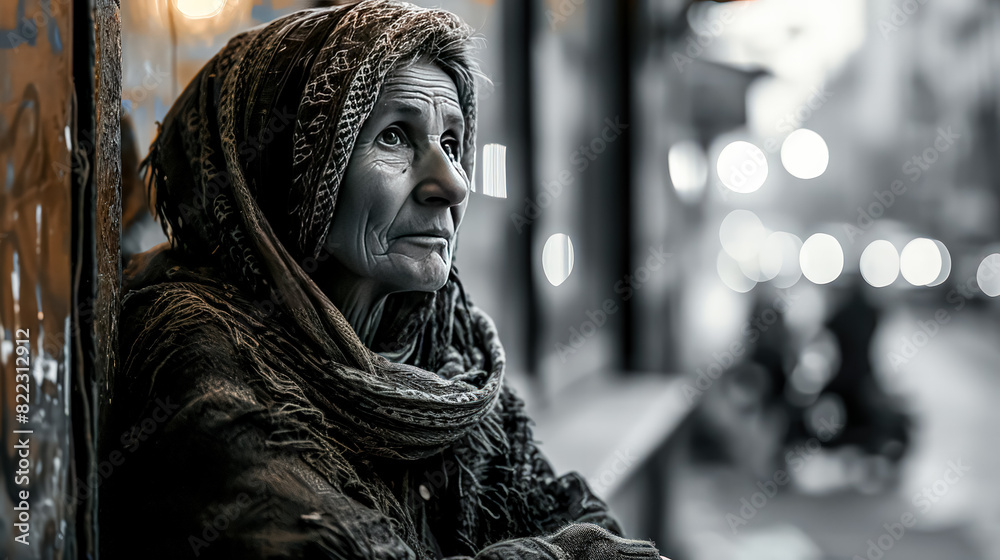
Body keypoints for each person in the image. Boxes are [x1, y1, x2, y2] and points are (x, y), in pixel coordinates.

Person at [99, 2, 667, 559]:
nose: (453, 183)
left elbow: (580, 520)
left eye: (451, 142)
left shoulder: (447, 343)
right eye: (395, 136)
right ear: (282, 176)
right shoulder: (194, 349)